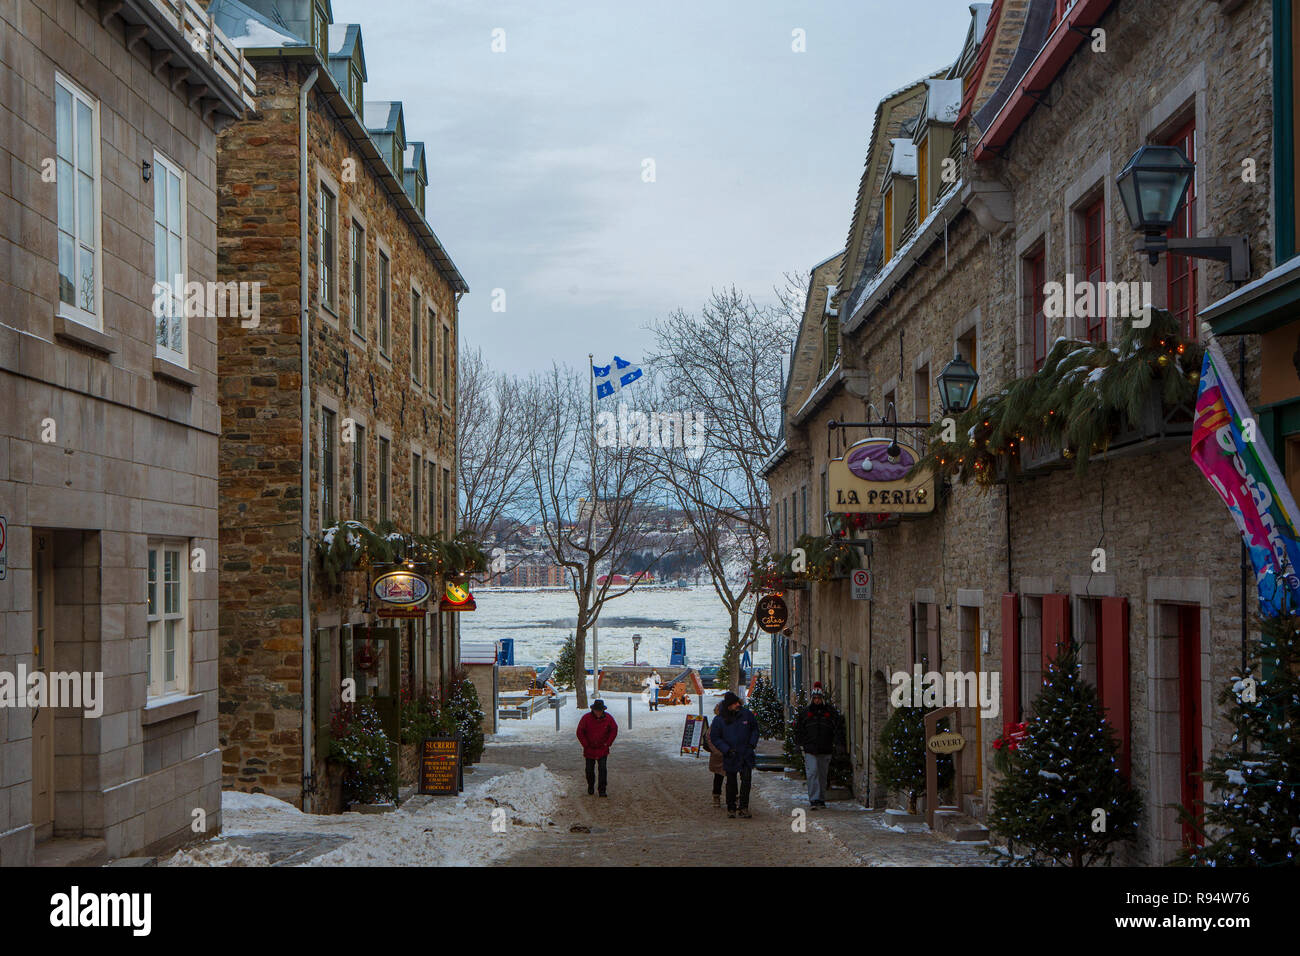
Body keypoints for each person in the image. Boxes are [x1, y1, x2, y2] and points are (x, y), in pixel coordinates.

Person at [709, 691, 759, 818]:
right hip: (731, 754)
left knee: (746, 781)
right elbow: (715, 737)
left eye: (738, 702)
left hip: (746, 753)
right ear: (729, 705)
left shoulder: (746, 715)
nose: (738, 704)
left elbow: (755, 729)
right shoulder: (720, 719)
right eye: (735, 703)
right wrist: (726, 749)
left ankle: (743, 807)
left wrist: (752, 744)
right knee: (731, 782)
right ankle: (731, 807)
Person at [795, 682, 845, 809]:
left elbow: (838, 729)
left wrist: (839, 744)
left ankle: (821, 798)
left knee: (822, 775)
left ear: (822, 699)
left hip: (825, 748)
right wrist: (799, 744)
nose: (817, 700)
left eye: (819, 698)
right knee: (812, 773)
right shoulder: (805, 713)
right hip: (810, 749)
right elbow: (800, 730)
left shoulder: (831, 712)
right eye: (815, 698)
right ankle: (814, 799)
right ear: (812, 698)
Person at [576, 698, 618, 797]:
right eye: (596, 710)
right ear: (593, 710)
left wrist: (607, 743)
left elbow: (614, 730)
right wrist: (586, 744)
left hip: (602, 749)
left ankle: (602, 789)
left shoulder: (609, 719)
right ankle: (590, 785)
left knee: (602, 769)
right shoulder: (586, 718)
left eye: (600, 711)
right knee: (589, 770)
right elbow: (580, 732)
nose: (598, 712)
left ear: (603, 710)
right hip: (589, 748)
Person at [700, 702, 725, 807]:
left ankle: (725, 796)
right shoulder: (718, 721)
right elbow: (710, 737)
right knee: (719, 776)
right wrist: (717, 751)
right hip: (719, 753)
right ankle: (717, 795)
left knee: (726, 776)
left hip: (724, 752)